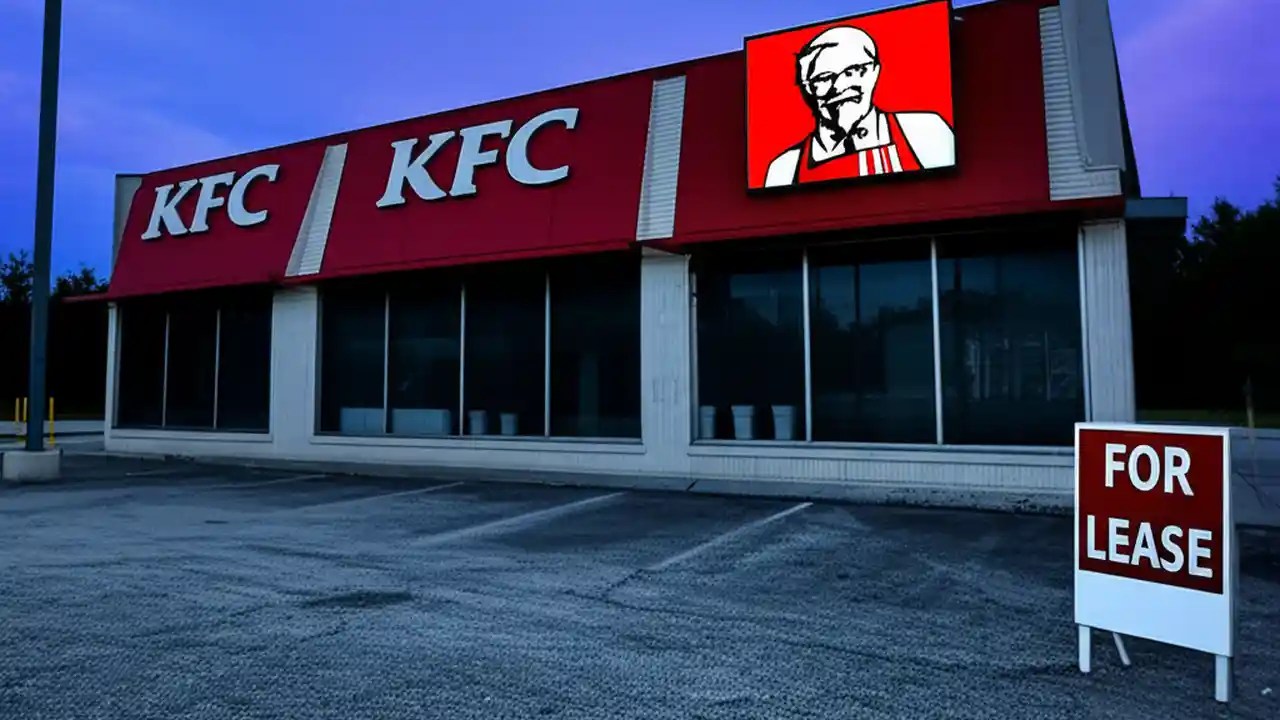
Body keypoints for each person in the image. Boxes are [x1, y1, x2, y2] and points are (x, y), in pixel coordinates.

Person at [764, 25, 955, 188]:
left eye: (853, 71)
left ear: (874, 72)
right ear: (808, 89)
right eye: (824, 78)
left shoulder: (925, 131)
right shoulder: (785, 168)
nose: (839, 86)